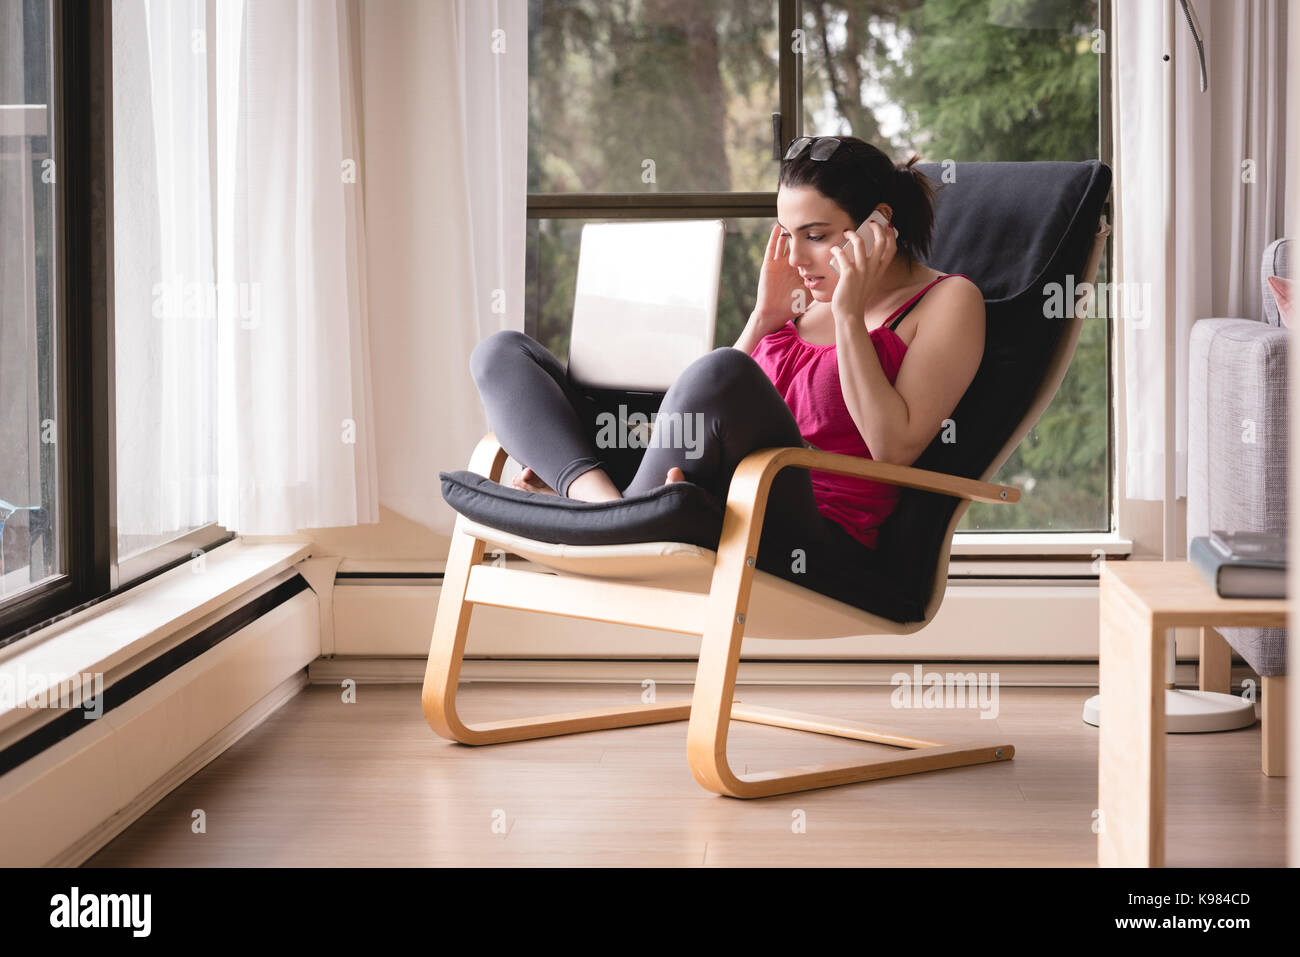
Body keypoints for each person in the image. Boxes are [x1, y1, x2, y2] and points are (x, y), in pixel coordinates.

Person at [467, 135, 984, 588]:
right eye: (788, 234)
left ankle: (606, 516)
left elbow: (893, 449)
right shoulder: (801, 300)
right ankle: (604, 508)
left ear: (876, 226)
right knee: (502, 354)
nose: (798, 259)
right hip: (703, 486)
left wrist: (849, 314)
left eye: (817, 235)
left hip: (808, 523)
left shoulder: (948, 301)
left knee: (719, 369)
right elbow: (703, 415)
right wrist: (763, 318)